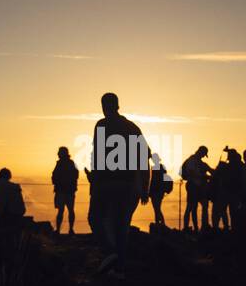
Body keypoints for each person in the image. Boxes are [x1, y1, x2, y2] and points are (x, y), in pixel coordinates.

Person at [89, 92, 150, 276]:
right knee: (121, 226)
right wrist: (144, 187)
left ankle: (110, 254)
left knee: (96, 218)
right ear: (118, 105)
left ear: (103, 106)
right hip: (128, 184)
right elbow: (144, 159)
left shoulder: (101, 125)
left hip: (106, 183)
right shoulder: (132, 127)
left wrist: (95, 182)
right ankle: (119, 268)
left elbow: (98, 157)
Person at [180, 146, 212, 231]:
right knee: (191, 207)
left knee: (197, 207)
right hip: (193, 186)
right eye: (203, 154)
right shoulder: (192, 160)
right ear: (200, 152)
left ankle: (201, 227)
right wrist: (204, 176)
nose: (203, 156)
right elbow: (191, 173)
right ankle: (189, 227)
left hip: (197, 187)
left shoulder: (199, 162)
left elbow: (210, 170)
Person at [51, 146, 79, 234]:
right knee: (69, 210)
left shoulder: (63, 164)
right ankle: (69, 229)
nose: (58, 154)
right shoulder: (71, 163)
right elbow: (76, 175)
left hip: (63, 190)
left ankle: (61, 230)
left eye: (59, 152)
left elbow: (55, 176)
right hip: (68, 190)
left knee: (62, 211)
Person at [148, 153, 173, 226]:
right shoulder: (160, 167)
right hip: (157, 191)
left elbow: (154, 180)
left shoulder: (156, 168)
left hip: (156, 191)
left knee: (157, 208)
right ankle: (159, 223)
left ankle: (161, 223)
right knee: (157, 208)